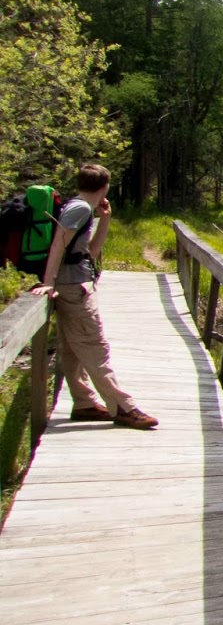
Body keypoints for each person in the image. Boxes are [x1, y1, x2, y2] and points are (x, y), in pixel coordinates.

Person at [29, 163, 159, 430]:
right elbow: (58, 244)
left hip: (76, 285)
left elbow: (92, 250)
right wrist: (48, 282)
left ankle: (84, 403)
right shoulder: (79, 209)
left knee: (73, 350)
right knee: (95, 348)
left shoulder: (83, 208)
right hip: (74, 289)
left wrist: (106, 219)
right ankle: (123, 407)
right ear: (104, 186)